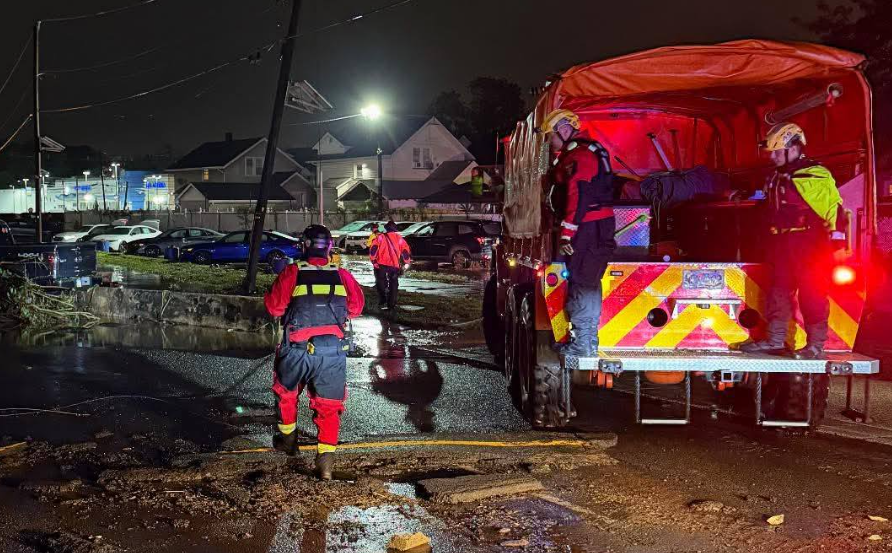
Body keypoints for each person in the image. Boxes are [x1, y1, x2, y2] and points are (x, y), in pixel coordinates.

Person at [264, 224, 364, 479]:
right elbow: (356, 309)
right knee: (329, 406)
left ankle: (288, 441)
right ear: (329, 247)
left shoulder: (292, 272)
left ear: (304, 246)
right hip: (331, 352)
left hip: (296, 350)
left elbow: (275, 308)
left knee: (286, 394)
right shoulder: (342, 275)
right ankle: (325, 464)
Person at [741, 123, 847, 359]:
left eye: (778, 152)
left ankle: (815, 346)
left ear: (795, 148)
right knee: (778, 292)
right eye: (772, 152)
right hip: (782, 243)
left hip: (809, 244)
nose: (774, 156)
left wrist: (838, 245)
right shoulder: (777, 177)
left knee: (812, 293)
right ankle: (776, 340)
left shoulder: (814, 175)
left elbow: (834, 210)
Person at [540, 108, 616, 358]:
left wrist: (566, 234)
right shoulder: (585, 152)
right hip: (592, 226)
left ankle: (584, 343)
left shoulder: (581, 156)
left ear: (563, 130)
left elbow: (578, 197)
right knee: (585, 279)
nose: (550, 142)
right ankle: (584, 340)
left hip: (588, 228)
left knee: (584, 281)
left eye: (551, 136)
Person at [369, 220, 411, 311]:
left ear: (386, 229)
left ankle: (383, 296)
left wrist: (373, 261)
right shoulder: (399, 238)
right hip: (394, 265)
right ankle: (391, 304)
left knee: (380, 280)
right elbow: (405, 251)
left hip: (381, 264)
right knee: (394, 283)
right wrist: (407, 262)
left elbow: (373, 249)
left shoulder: (380, 237)